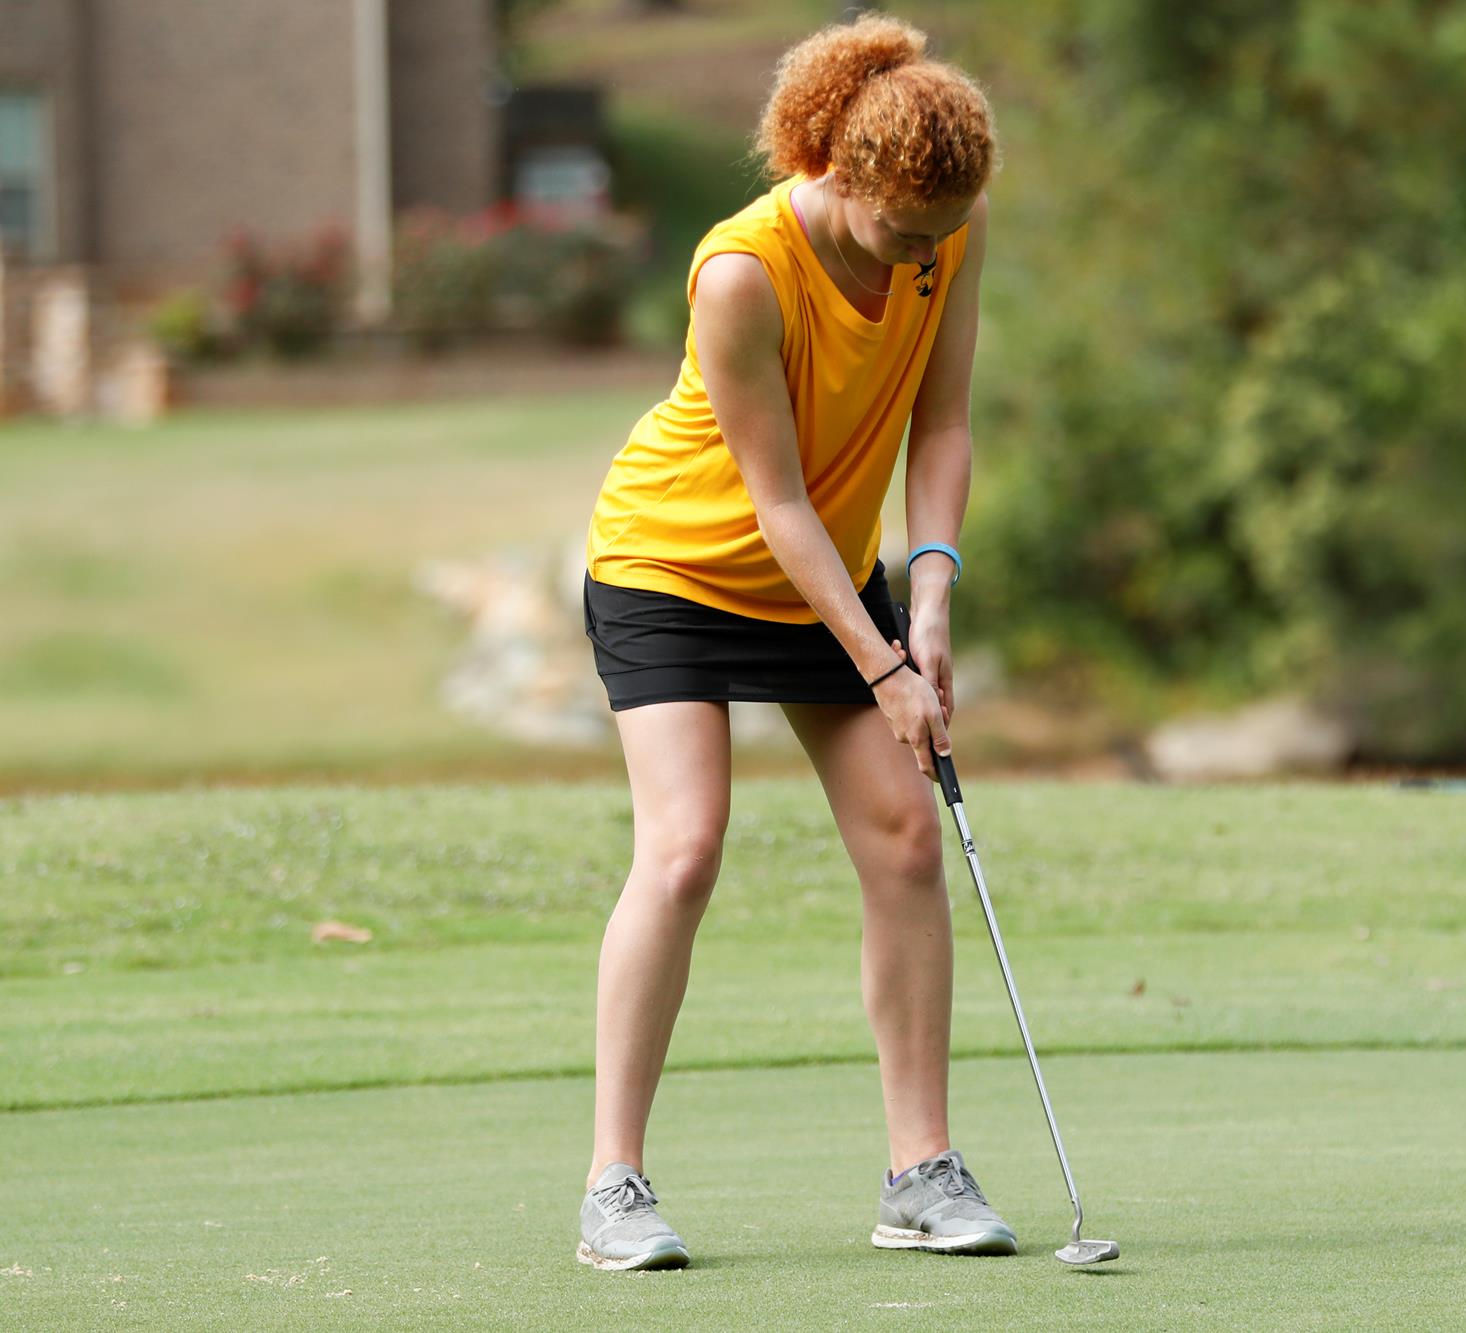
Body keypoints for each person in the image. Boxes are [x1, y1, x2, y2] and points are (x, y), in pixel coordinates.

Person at [574, 14, 1006, 1270]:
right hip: (672, 563)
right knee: (685, 846)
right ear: (841, 175)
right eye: (903, 232)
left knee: (902, 831)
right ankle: (614, 1183)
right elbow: (776, 502)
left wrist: (926, 602)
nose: (923, 254)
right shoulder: (742, 272)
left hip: (825, 571)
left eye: (942, 233)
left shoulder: (946, 225)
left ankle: (918, 1172)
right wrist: (877, 664)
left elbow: (940, 427)